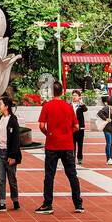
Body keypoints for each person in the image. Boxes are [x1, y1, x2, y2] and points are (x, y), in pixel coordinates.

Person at [36, 81, 83, 215]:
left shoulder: (47, 106)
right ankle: (78, 204)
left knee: (49, 175)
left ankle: (48, 204)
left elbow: (41, 125)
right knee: (72, 175)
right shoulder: (68, 107)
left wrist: (49, 134)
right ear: (62, 92)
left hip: (52, 145)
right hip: (67, 145)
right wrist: (67, 134)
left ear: (51, 92)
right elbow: (76, 127)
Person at [0, 94, 22, 212]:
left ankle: (15, 200)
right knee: (1, 179)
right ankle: (2, 203)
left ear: (6, 106)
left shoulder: (13, 120)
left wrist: (12, 156)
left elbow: (16, 140)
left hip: (9, 154)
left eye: (1, 104)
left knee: (12, 178)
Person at [97, 96, 112, 165]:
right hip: (107, 129)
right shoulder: (106, 108)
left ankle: (110, 158)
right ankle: (108, 159)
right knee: (109, 143)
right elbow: (99, 113)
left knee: (110, 144)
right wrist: (106, 118)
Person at [71, 88, 87, 166]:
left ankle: (80, 158)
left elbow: (85, 109)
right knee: (72, 144)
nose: (74, 97)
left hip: (80, 128)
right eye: (73, 95)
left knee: (80, 144)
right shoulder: (69, 105)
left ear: (79, 97)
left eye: (76, 95)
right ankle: (72, 158)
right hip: (72, 128)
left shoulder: (81, 106)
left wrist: (81, 102)